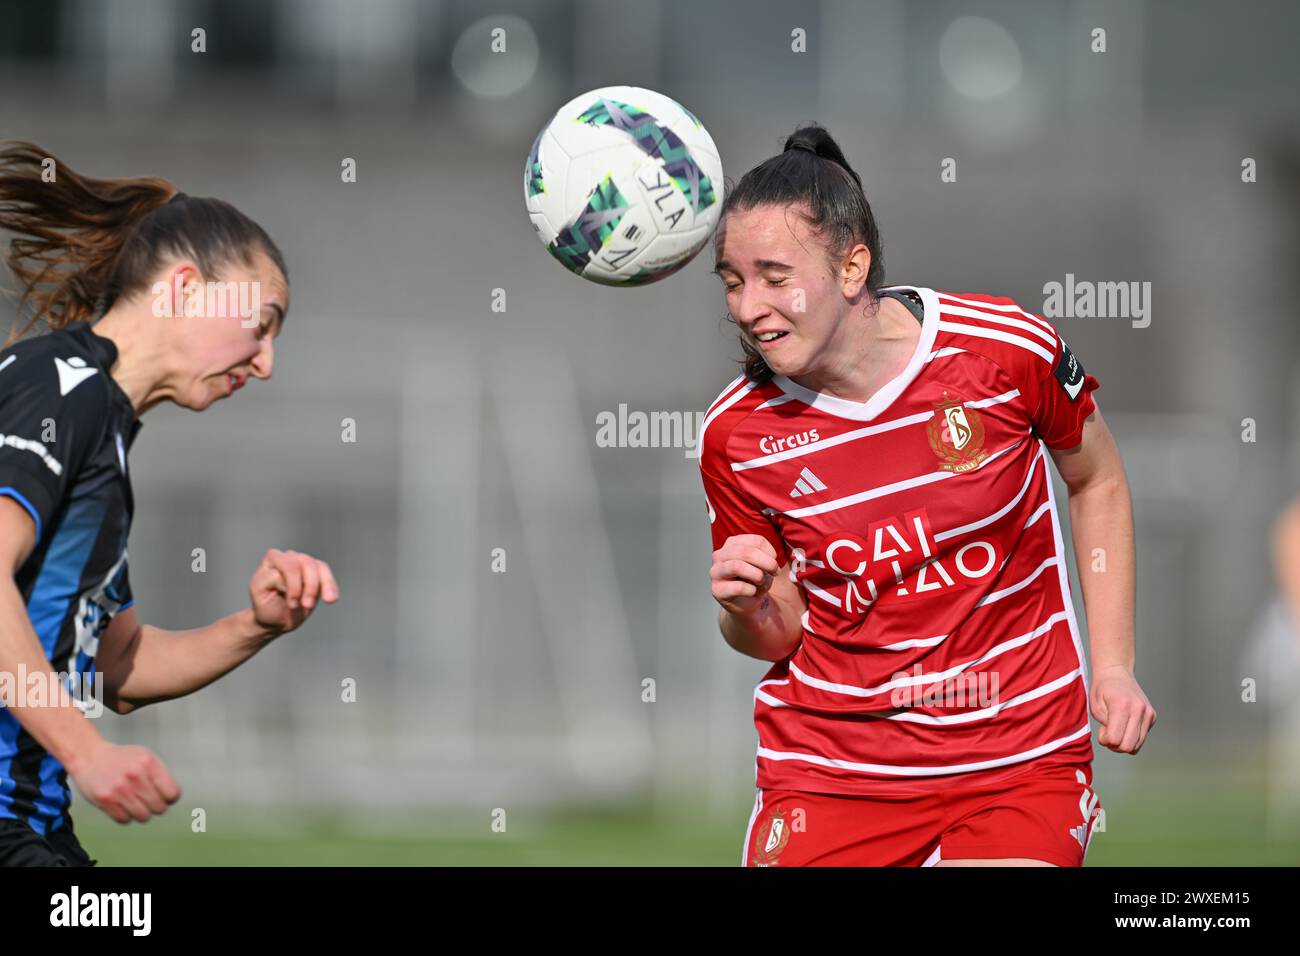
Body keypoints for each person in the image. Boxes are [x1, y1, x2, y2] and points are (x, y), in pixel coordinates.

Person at [699, 124, 1156, 866]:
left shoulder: (1003, 351)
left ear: (853, 268)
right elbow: (776, 634)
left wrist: (1112, 665)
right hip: (835, 770)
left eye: (775, 276)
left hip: (1018, 752)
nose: (749, 306)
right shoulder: (737, 434)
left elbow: (1096, 477)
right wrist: (741, 605)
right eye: (731, 280)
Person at [0, 141, 338, 866]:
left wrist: (257, 625)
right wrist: (89, 754)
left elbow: (119, 668)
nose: (266, 362)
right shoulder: (61, 388)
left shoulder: (105, 439)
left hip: (36, 826)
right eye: (262, 323)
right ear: (184, 288)